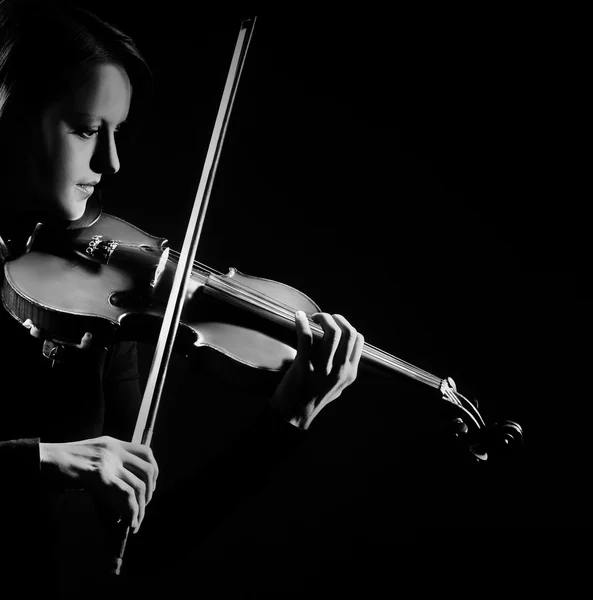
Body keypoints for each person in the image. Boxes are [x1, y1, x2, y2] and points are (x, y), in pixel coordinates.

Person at [0, 0, 364, 592]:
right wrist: (43, 457)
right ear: (12, 113)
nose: (110, 162)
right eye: (87, 130)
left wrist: (285, 420)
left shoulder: (97, 306)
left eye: (118, 134)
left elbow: (141, 550)